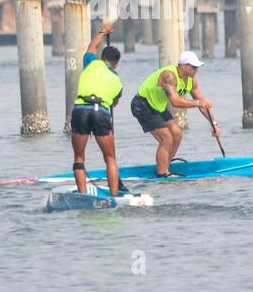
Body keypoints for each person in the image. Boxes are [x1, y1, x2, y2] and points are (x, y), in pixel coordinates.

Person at [130, 49, 220, 177]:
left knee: (177, 133)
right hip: (142, 104)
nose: (196, 70)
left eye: (197, 67)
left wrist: (214, 124)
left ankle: (165, 165)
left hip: (158, 106)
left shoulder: (191, 80)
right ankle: (162, 174)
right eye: (193, 67)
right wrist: (197, 103)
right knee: (166, 138)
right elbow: (176, 102)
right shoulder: (169, 76)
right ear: (183, 66)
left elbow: (203, 103)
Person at [70, 23, 125, 196]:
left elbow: (92, 46)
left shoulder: (91, 63)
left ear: (102, 58)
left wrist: (103, 32)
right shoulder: (118, 82)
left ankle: (83, 195)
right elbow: (113, 103)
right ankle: (114, 195)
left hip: (81, 110)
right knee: (110, 158)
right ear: (116, 64)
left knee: (79, 157)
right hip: (101, 111)